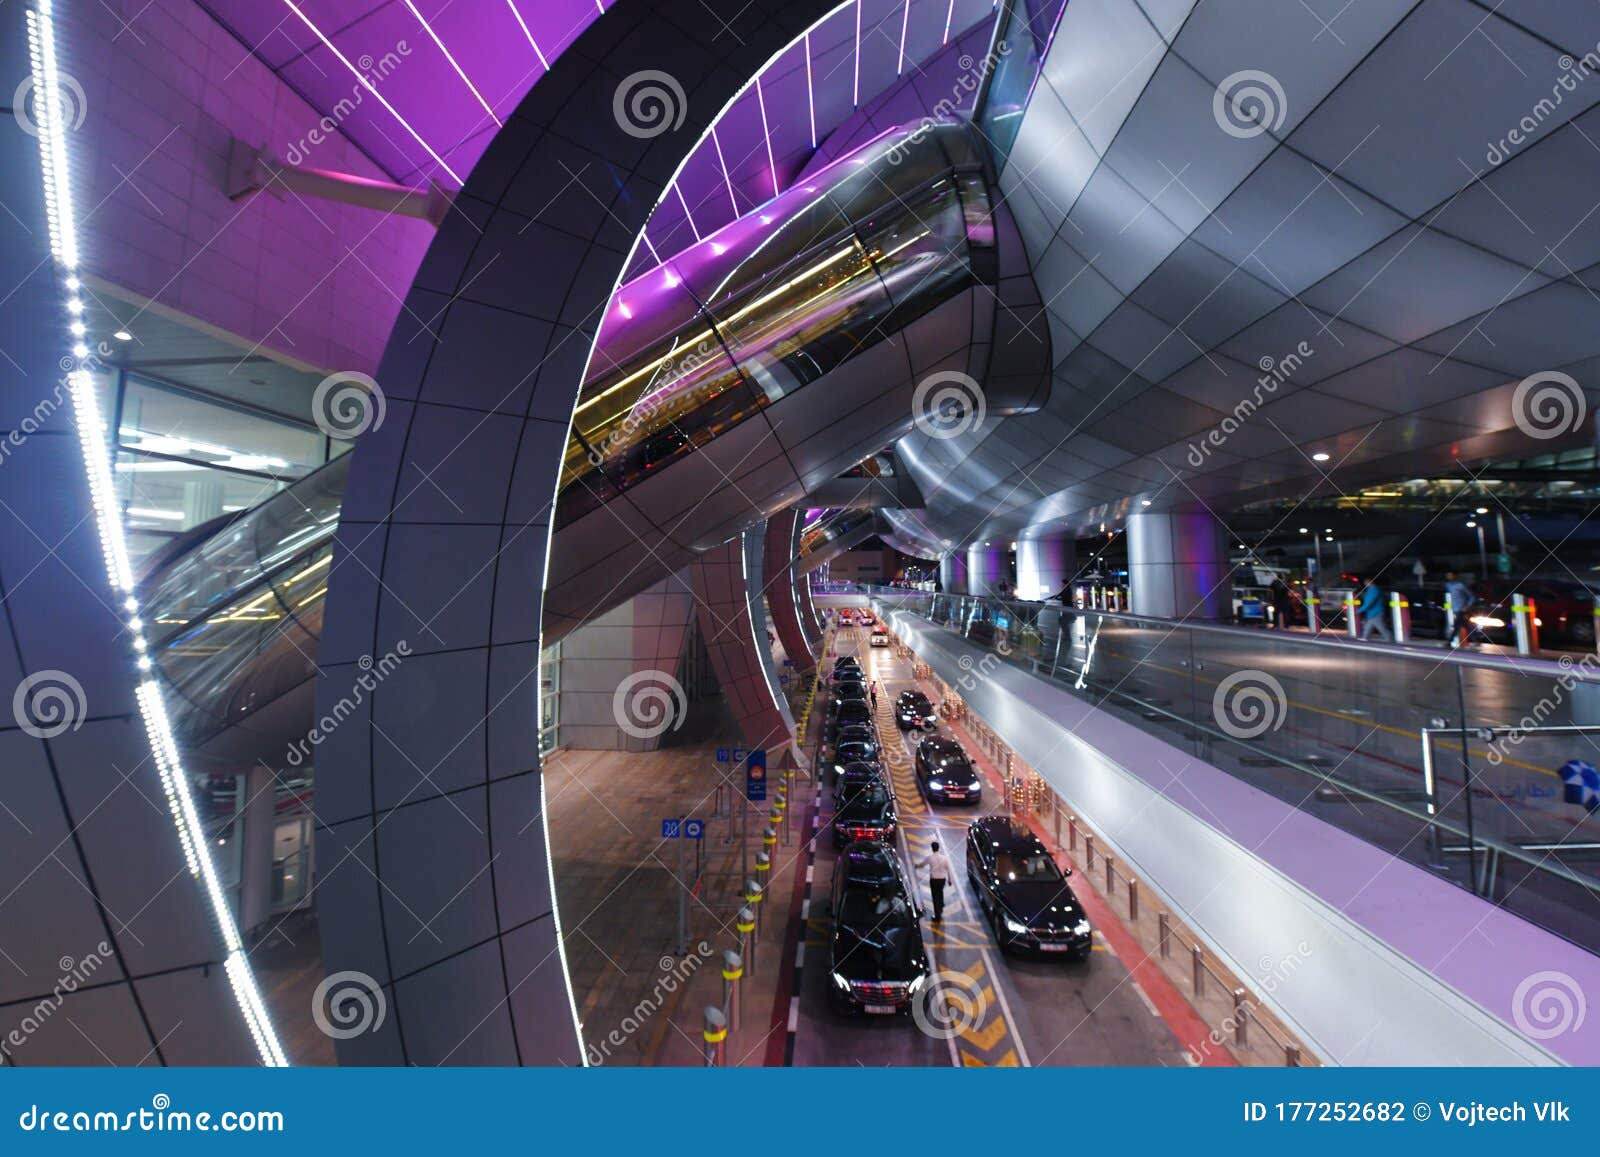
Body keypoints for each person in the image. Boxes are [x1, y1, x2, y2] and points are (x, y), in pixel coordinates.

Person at [916, 840, 954, 922]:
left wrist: (916, 866)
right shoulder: (944, 858)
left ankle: (937, 916)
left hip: (934, 880)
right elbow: (948, 869)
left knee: (935, 897)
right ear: (938, 848)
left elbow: (922, 865)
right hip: (942, 879)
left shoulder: (930, 858)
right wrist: (950, 879)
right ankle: (941, 905)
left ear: (932, 848)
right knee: (940, 892)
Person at [1444, 572, 1472, 647]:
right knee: (1465, 625)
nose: (1449, 577)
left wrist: (1467, 606)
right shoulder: (1447, 586)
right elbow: (1447, 597)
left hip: (1461, 609)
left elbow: (1471, 596)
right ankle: (1477, 638)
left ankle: (1449, 642)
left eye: (1451, 575)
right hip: (1454, 609)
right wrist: (1447, 608)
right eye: (1448, 576)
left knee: (1456, 625)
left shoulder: (1460, 586)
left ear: (1455, 576)